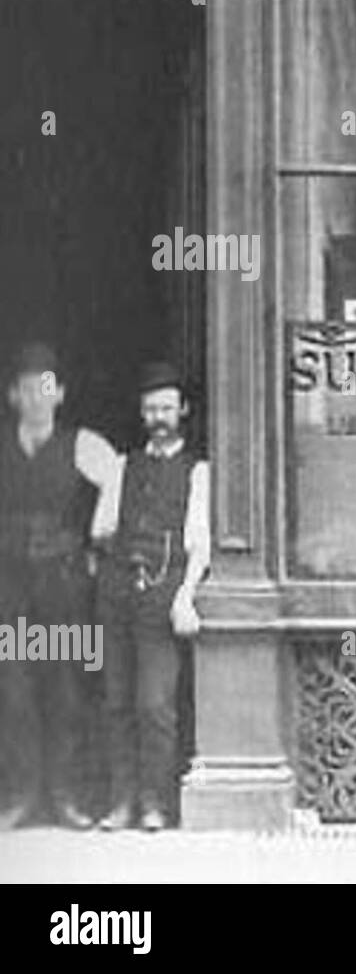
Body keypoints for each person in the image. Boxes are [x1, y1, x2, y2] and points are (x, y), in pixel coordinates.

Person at [0, 342, 121, 830]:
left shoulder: (84, 445)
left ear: (60, 394)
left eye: (44, 388)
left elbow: (120, 493)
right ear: (13, 396)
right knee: (15, 688)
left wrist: (96, 547)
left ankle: (66, 794)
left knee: (66, 687)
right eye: (27, 389)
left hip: (64, 589)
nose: (35, 397)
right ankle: (23, 795)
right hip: (10, 590)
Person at [96, 361, 208, 831]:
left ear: (182, 410)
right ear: (142, 415)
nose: (159, 417)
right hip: (119, 591)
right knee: (116, 700)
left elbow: (199, 542)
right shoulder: (123, 465)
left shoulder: (197, 470)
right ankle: (121, 803)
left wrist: (185, 596)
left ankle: (155, 804)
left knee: (154, 705)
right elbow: (102, 530)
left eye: (166, 407)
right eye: (150, 409)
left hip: (165, 594)